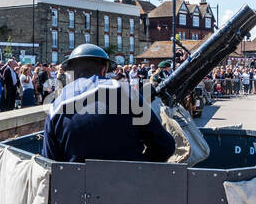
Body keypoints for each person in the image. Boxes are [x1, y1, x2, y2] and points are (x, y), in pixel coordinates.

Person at [42, 44, 176, 164]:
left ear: (70, 73)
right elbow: (165, 145)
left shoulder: (57, 105)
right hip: (129, 185)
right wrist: (140, 166)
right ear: (104, 70)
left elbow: (49, 162)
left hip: (76, 188)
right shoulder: (127, 93)